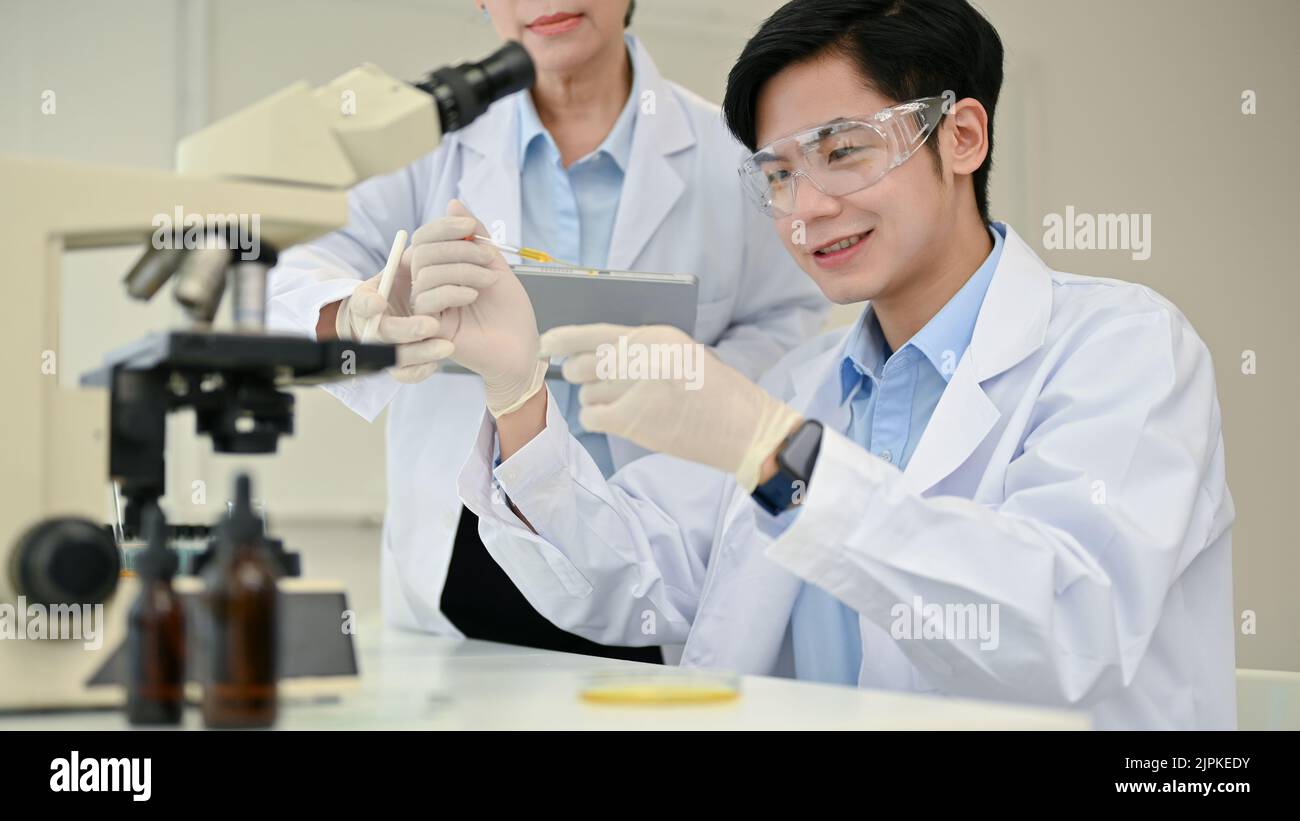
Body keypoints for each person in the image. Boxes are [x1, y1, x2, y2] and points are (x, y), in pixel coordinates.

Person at [426, 0, 1235, 729]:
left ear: (962, 137)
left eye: (844, 152)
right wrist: (516, 390)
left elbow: (1061, 631)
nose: (807, 209)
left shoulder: (1123, 348)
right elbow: (629, 582)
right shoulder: (800, 382)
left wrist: (780, 456)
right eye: (778, 174)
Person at [266, 0, 827, 661]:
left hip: (656, 561)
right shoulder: (425, 144)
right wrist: (360, 311)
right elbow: (288, 275)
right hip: (461, 567)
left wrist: (694, 384)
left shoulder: (728, 154)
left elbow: (790, 321)